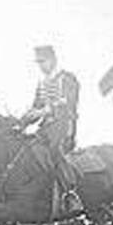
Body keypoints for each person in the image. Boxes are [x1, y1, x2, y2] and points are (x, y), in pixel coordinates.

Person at [20, 45, 81, 207]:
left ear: (53, 59)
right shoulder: (41, 83)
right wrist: (23, 120)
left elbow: (68, 101)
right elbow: (36, 106)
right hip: (46, 128)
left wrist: (44, 111)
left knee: (54, 151)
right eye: (38, 62)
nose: (41, 66)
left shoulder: (67, 78)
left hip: (64, 125)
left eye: (43, 61)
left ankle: (70, 193)